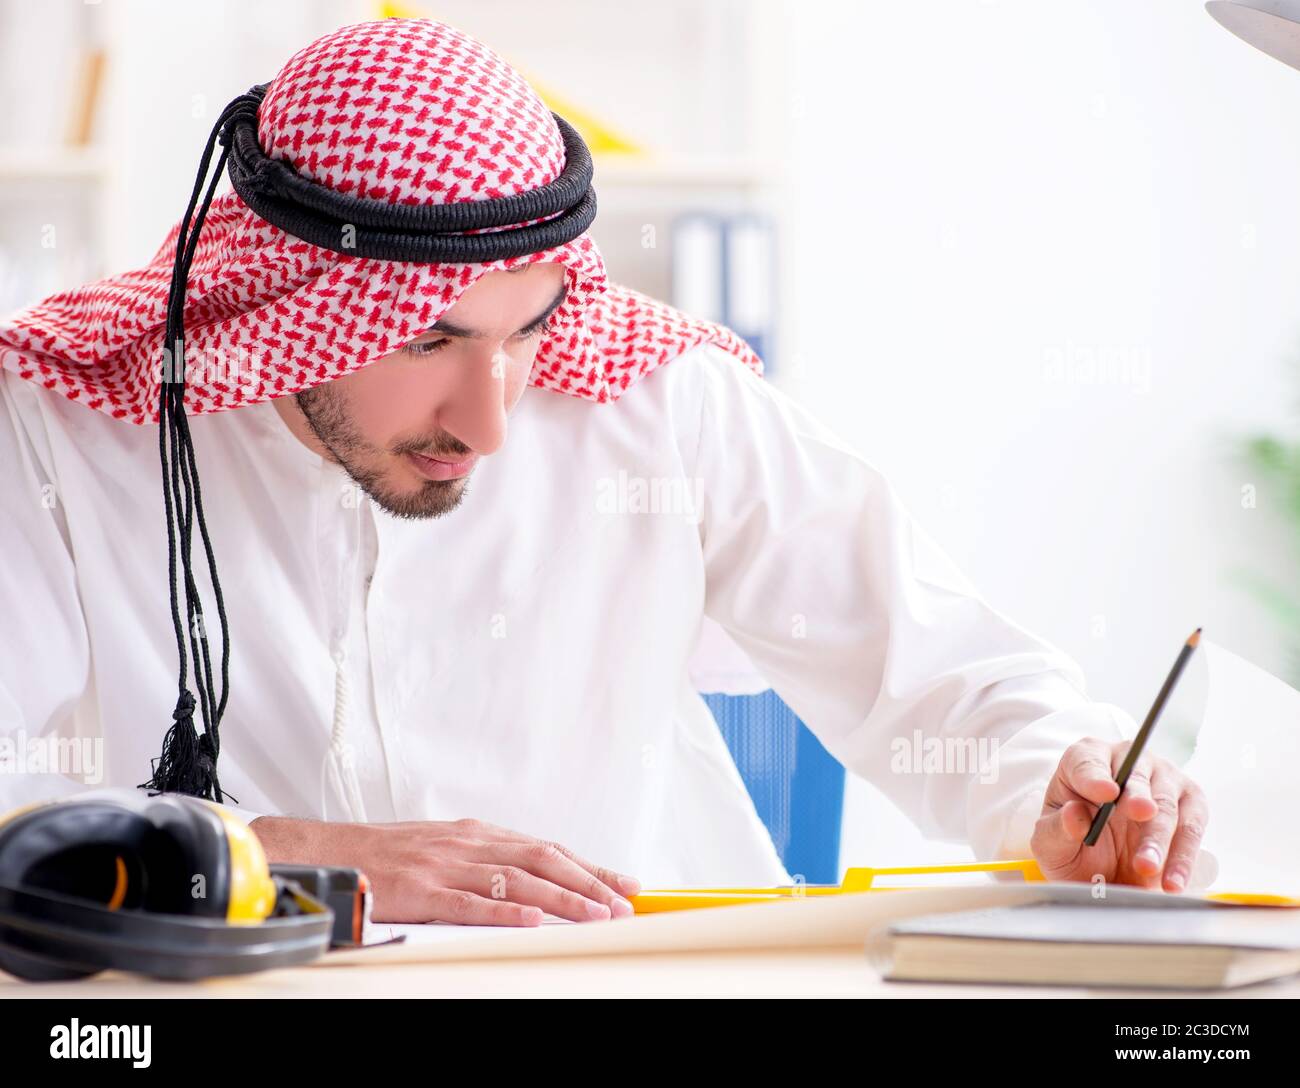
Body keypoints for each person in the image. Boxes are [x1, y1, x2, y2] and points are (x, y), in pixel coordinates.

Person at [0, 19, 1211, 925]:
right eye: (430, 337)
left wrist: (1060, 783)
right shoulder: (67, 427)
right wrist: (272, 851)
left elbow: (936, 671)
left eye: (526, 331)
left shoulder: (664, 404)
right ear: (287, 297)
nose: (492, 420)